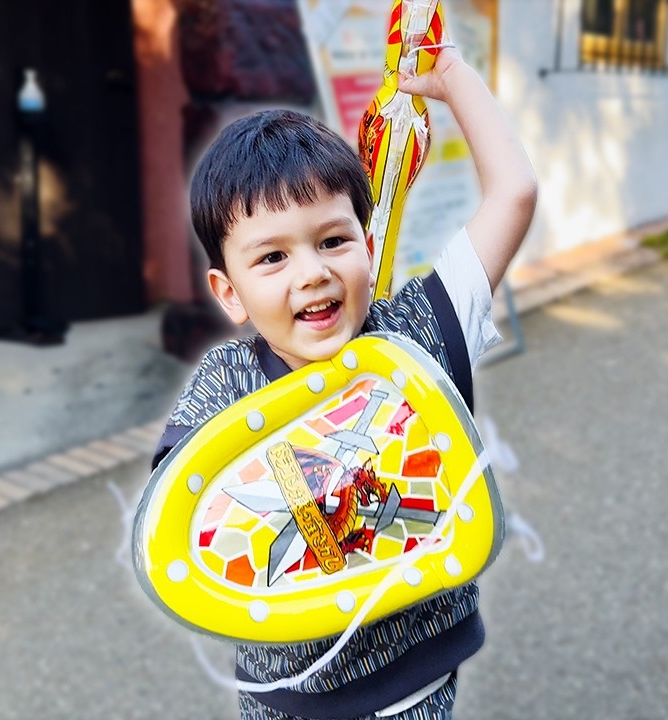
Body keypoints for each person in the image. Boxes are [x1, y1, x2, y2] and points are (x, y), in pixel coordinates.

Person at [151, 46, 537, 719]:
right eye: (272, 257)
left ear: (368, 244)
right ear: (229, 291)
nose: (312, 273)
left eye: (333, 241)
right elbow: (182, 511)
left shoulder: (416, 337)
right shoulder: (224, 386)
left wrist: (453, 80)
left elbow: (515, 193)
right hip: (287, 699)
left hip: (415, 685)